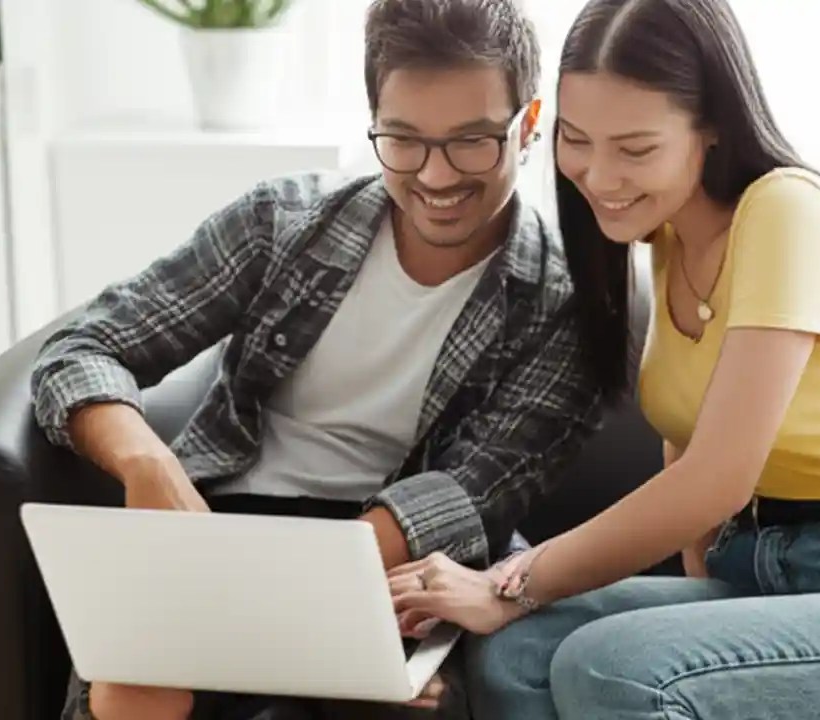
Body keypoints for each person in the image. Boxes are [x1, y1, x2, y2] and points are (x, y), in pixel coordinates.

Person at [387, 0, 820, 718]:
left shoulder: (787, 210)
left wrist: (511, 581)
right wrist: (693, 612)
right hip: (762, 575)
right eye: (576, 139)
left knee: (614, 669)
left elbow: (715, 480)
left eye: (636, 149)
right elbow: (688, 447)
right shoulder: (669, 238)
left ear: (713, 128)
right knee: (517, 652)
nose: (599, 175)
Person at [30, 2, 601, 718]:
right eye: (403, 139)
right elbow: (84, 349)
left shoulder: (564, 302)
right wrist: (149, 465)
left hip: (407, 560)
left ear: (529, 122)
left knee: (411, 703)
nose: (435, 174)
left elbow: (476, 488)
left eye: (471, 141)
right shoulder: (283, 222)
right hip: (224, 525)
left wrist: (305, 606)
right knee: (133, 691)